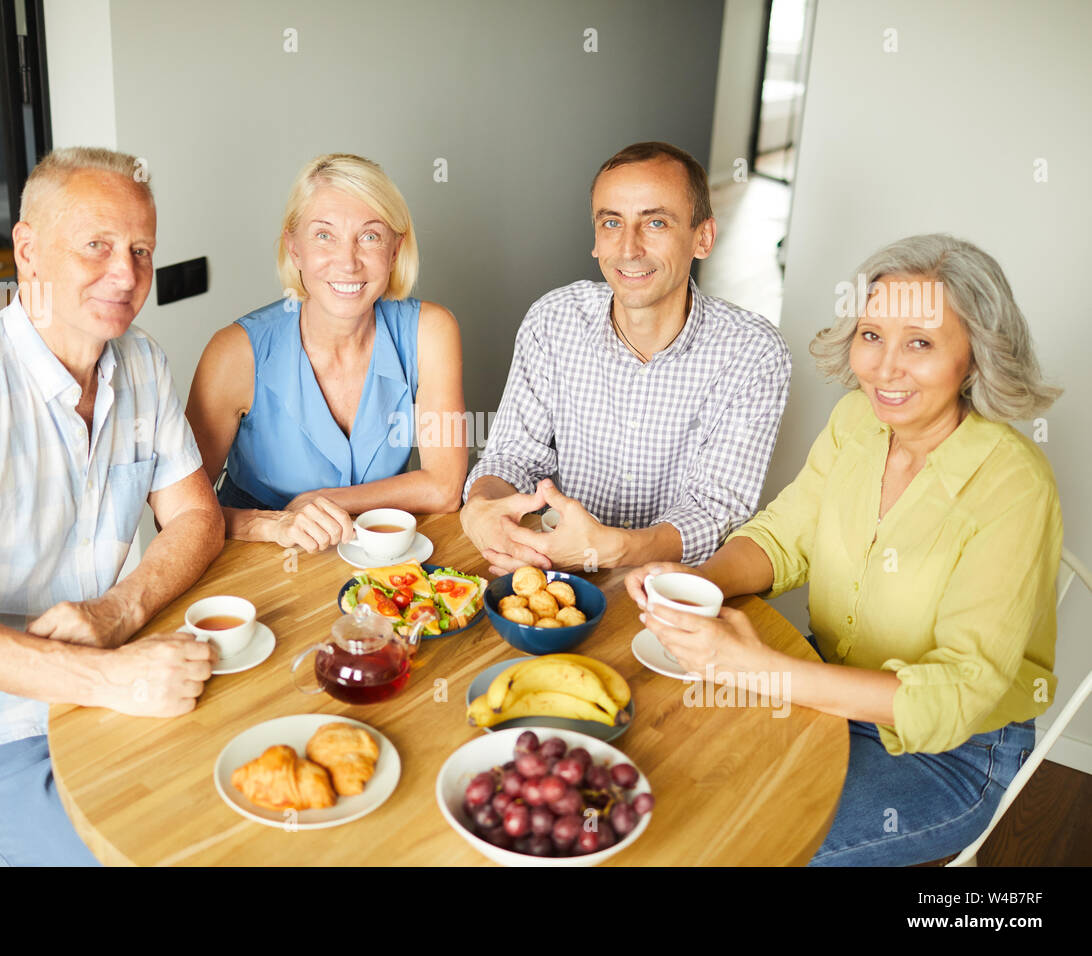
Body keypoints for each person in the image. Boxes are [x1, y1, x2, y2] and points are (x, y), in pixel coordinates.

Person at [624, 234, 1063, 866]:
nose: (884, 367)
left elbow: (953, 697)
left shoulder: (1014, 486)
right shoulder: (857, 422)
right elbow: (782, 538)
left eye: (920, 342)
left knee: (737, 844)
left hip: (953, 752)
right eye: (871, 334)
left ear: (975, 356)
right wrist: (697, 581)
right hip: (819, 689)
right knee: (669, 780)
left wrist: (754, 669)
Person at [0, 147, 226, 866]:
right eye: (97, 246)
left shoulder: (142, 363)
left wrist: (118, 612)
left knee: (230, 816)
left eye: (141, 250)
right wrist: (113, 677)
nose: (126, 275)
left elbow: (197, 518)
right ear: (29, 252)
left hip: (97, 685)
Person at [460, 141, 791, 576]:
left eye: (655, 222)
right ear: (596, 239)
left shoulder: (755, 353)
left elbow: (715, 508)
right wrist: (483, 504)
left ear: (703, 237)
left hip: (674, 585)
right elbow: (514, 457)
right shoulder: (552, 320)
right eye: (612, 222)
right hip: (556, 570)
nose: (629, 248)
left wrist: (616, 548)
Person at [185, 154, 468, 553]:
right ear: (294, 249)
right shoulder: (235, 353)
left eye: (369, 236)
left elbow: (444, 488)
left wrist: (322, 503)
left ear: (394, 251)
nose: (348, 262)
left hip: (378, 557)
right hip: (255, 562)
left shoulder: (431, 331)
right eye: (324, 235)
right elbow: (178, 513)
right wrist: (276, 524)